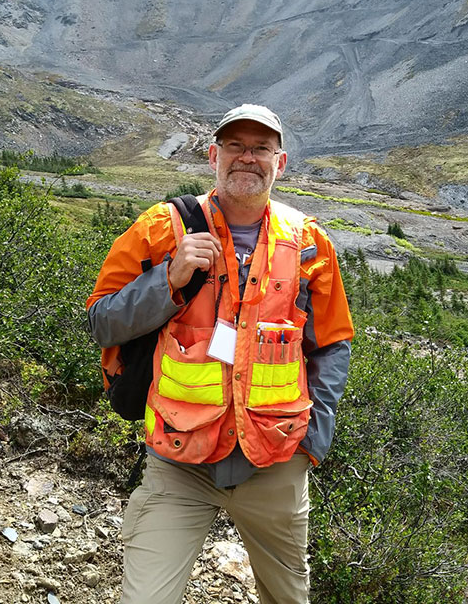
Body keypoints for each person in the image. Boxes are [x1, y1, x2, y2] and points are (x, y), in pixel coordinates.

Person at [86, 103, 354, 604]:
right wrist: (167, 278)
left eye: (260, 149)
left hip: (275, 461)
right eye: (235, 146)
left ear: (281, 161)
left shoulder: (311, 244)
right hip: (178, 463)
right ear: (213, 156)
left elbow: (331, 345)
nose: (246, 158)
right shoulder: (163, 229)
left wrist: (311, 444)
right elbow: (102, 321)